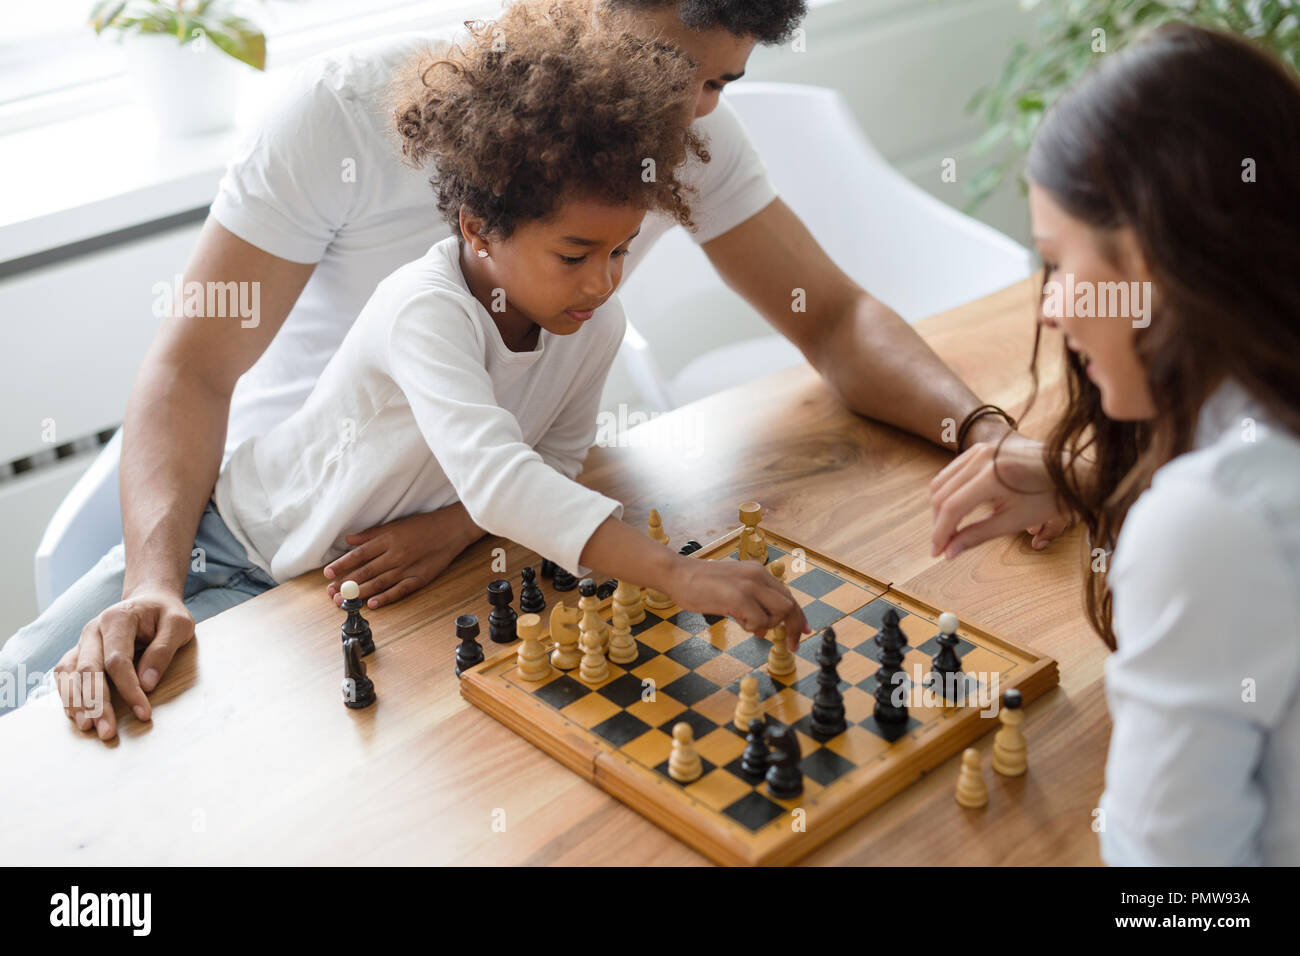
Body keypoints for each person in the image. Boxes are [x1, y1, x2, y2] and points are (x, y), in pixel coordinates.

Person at [1, 0, 1061, 725]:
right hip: (260, 533)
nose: (689, 112)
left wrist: (985, 432)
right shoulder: (339, 116)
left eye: (720, 85)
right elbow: (189, 369)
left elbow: (826, 315)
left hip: (447, 556)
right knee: (40, 712)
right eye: (669, 69)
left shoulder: (676, 136)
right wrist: (153, 580)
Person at [930, 23, 1300, 865]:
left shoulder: (1211, 524)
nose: (1051, 309)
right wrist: (1095, 480)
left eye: (1059, 264)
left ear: (1146, 263)